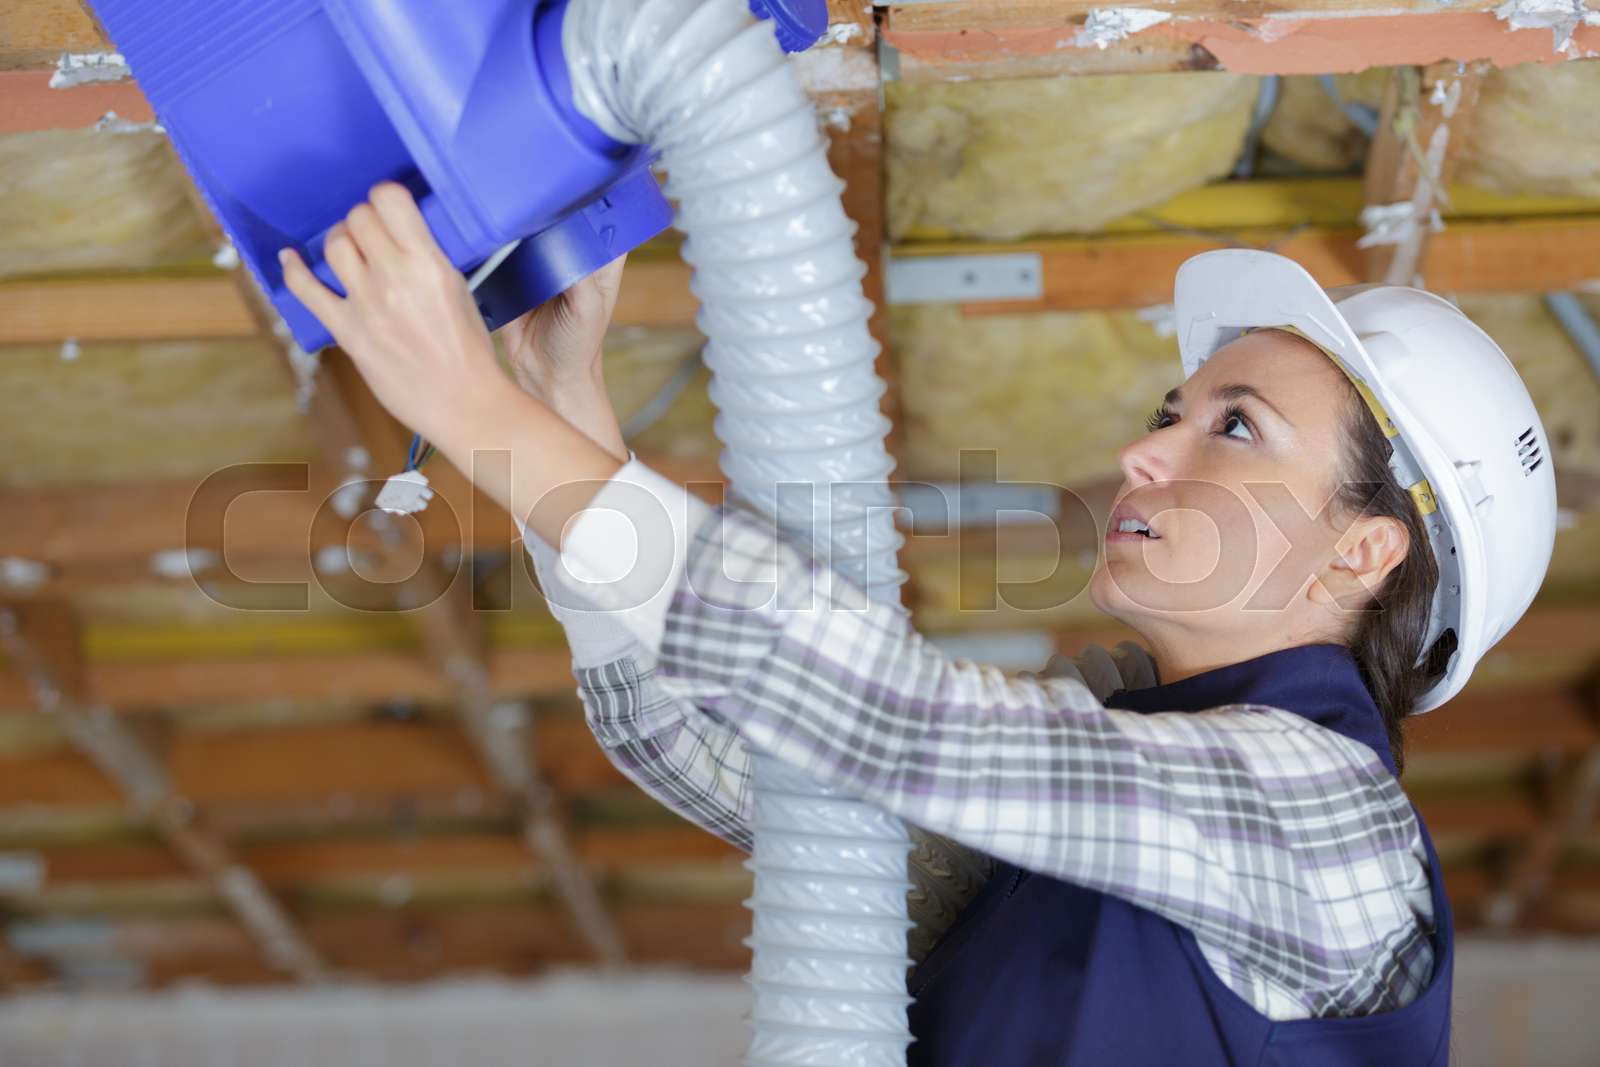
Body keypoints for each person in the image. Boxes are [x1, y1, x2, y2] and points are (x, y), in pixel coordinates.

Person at [280, 182, 1557, 1065]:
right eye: (1171, 411)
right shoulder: (1095, 823)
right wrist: (557, 398)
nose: (1146, 450)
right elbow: (705, 745)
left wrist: (476, 416)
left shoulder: (1321, 818)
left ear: (1362, 547)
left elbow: (900, 718)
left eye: (1234, 425)